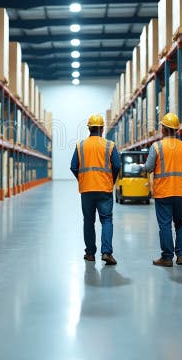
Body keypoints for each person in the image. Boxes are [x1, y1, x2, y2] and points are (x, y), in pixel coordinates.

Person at [140, 113, 182, 267]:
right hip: (181, 191)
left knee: (165, 224)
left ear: (163, 129)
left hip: (163, 191)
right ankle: (181, 256)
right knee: (181, 222)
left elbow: (149, 167)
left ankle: (167, 257)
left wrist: (141, 168)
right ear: (177, 130)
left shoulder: (157, 146)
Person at [70, 113, 121, 266]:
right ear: (102, 128)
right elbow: (117, 166)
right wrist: (111, 180)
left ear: (89, 128)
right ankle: (106, 252)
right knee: (106, 220)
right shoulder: (110, 145)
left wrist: (83, 179)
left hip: (86, 190)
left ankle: (90, 253)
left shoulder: (80, 145)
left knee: (89, 221)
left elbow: (73, 166)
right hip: (104, 189)